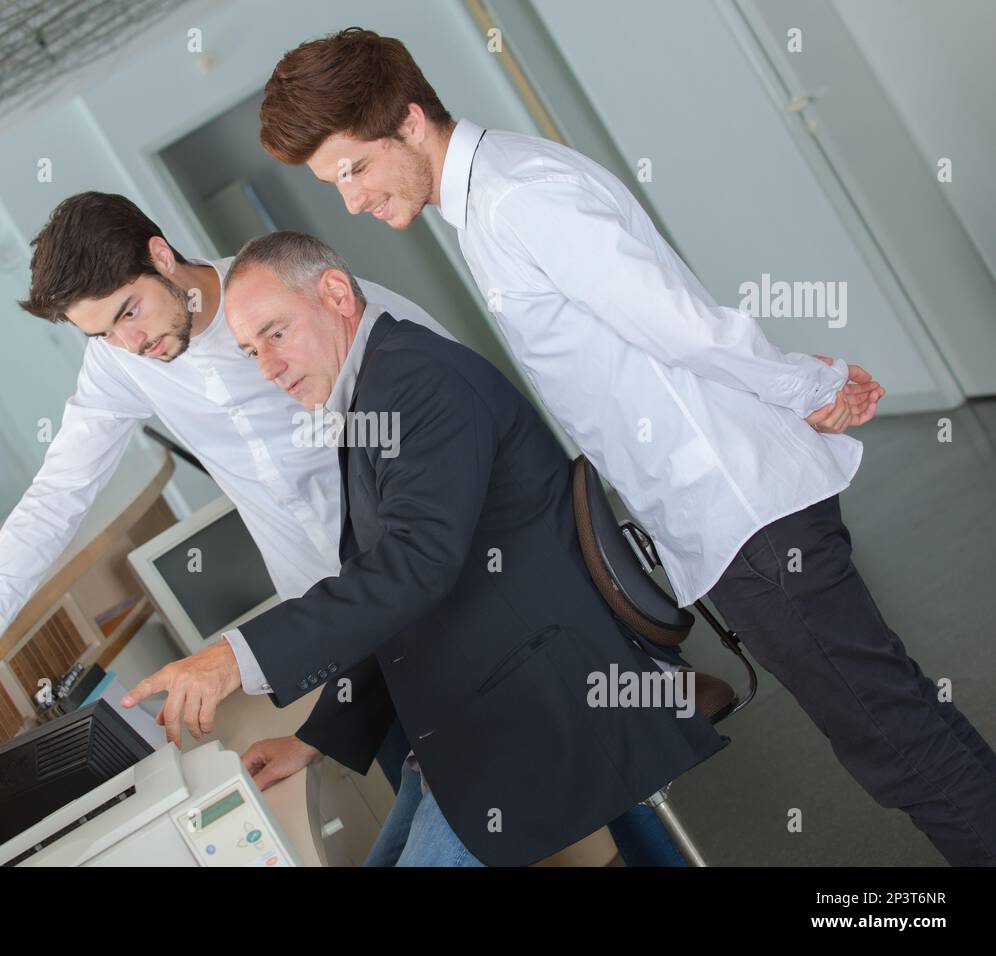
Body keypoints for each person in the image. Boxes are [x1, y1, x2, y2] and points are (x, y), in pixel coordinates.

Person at [254, 28, 996, 865]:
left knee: (896, 742)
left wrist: (810, 386)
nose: (350, 200)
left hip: (745, 514)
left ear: (410, 119)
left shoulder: (517, 199)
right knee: (901, 725)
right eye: (333, 183)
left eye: (354, 168)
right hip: (728, 518)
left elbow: (682, 327)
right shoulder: (490, 202)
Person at [121, 231, 727, 867]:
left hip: (540, 694)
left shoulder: (414, 381)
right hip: (489, 686)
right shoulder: (375, 390)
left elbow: (413, 566)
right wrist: (318, 738)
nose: (268, 368)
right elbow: (391, 596)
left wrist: (232, 658)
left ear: (334, 293)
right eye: (250, 351)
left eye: (276, 333)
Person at [0, 191, 448, 793]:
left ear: (161, 255)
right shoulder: (122, 363)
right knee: (425, 800)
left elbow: (439, 385)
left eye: (130, 311)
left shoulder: (286, 295)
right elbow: (59, 492)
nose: (131, 343)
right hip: (330, 638)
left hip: (428, 586)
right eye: (100, 333)